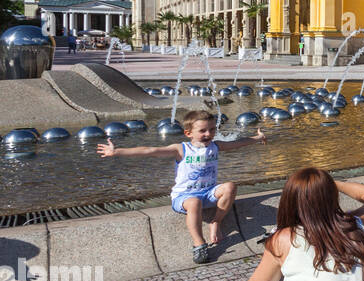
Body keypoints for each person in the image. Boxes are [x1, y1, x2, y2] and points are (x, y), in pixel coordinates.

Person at [97, 109, 266, 264]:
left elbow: (239, 143)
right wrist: (117, 151)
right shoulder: (181, 149)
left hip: (208, 193)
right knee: (194, 202)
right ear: (188, 133)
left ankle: (216, 221)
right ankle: (199, 245)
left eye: (212, 129)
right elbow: (150, 150)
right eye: (203, 131)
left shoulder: (216, 146)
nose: (209, 134)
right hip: (184, 197)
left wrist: (258, 138)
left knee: (230, 186)